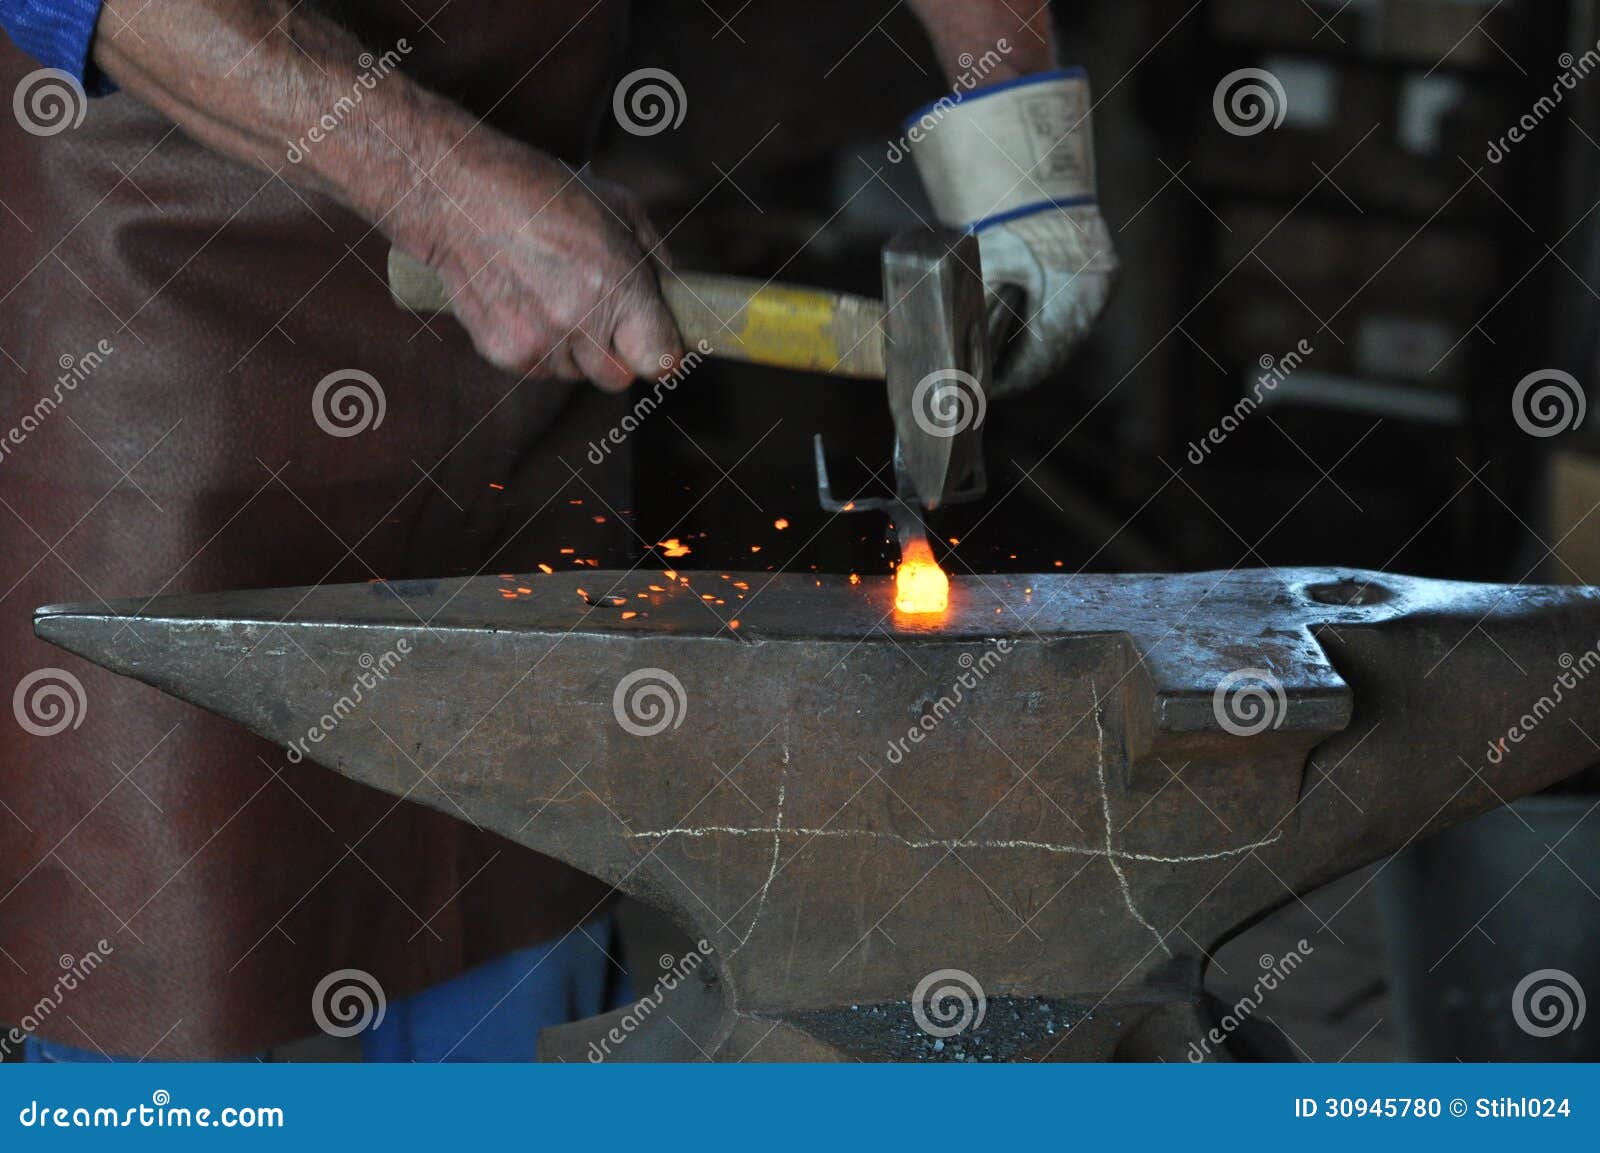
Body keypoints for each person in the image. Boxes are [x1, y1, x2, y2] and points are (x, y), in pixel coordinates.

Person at [0, 0, 1115, 1060]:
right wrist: (443, 189)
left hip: (544, 302)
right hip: (165, 313)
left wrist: (1016, 143)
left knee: (515, 909)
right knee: (149, 954)